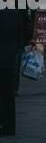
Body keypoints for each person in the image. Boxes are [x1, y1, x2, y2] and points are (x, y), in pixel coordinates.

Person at [0, 7, 30, 136]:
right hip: (10, 57)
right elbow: (25, 32)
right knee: (8, 94)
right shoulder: (16, 11)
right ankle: (9, 127)